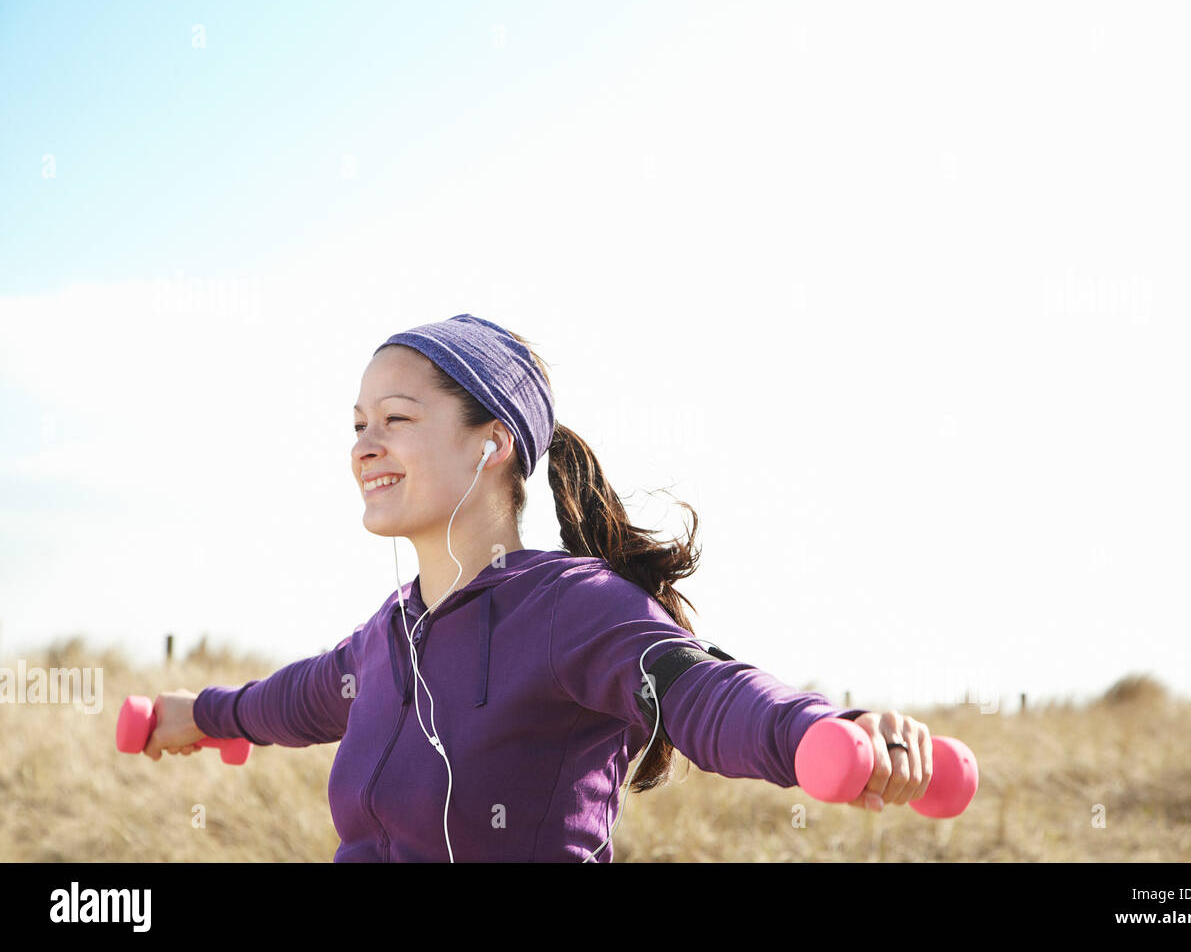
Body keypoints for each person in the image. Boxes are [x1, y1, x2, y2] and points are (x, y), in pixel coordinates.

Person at [144, 314, 934, 861]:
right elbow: (285, 702)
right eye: (357, 425)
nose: (364, 446)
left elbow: (699, 691)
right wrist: (195, 715)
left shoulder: (576, 609)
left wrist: (823, 735)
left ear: (492, 443)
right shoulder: (387, 638)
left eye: (396, 419)